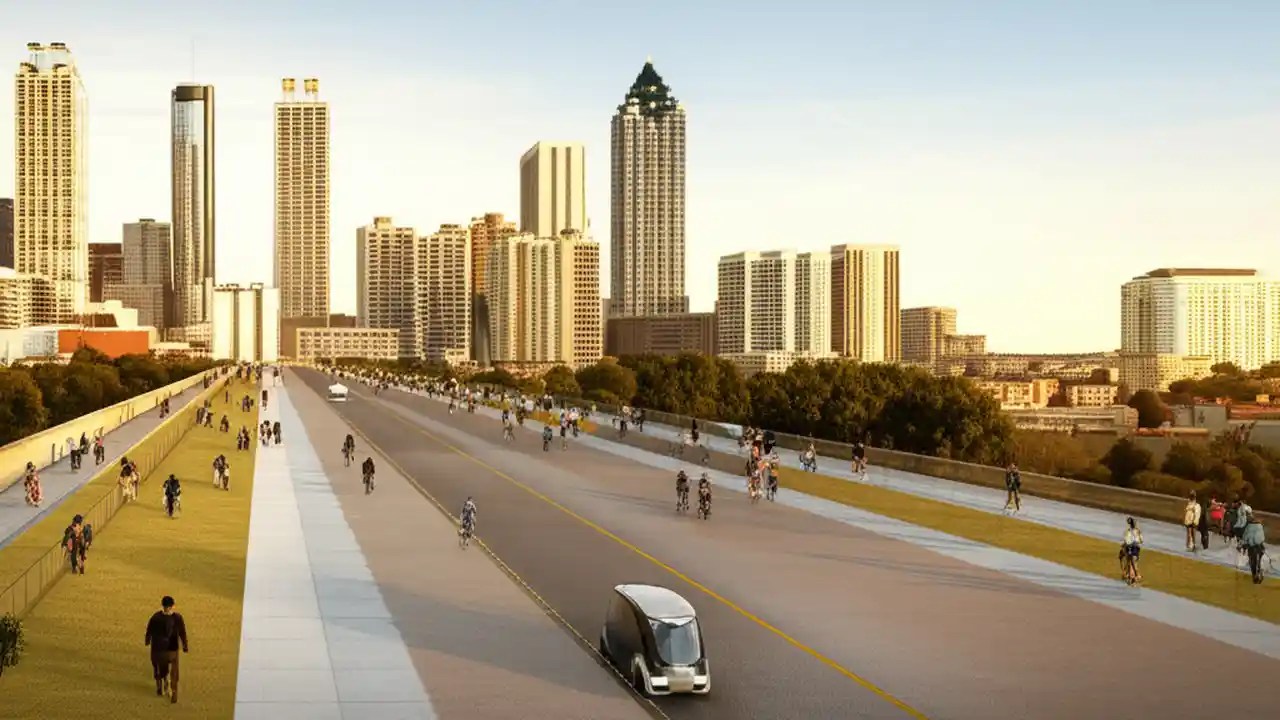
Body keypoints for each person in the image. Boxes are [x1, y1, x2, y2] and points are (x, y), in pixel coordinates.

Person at [145, 595, 189, 704]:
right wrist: (185, 645)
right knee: (174, 669)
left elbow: (149, 630)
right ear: (173, 606)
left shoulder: (156, 617)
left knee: (158, 666)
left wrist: (147, 640)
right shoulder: (177, 618)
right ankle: (172, 690)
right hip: (170, 647)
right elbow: (182, 632)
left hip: (159, 647)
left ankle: (161, 684)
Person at [1240, 511, 1267, 584]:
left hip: (1252, 548)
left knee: (1253, 562)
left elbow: (1245, 538)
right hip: (1260, 547)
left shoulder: (1248, 527)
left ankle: (1255, 576)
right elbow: (1262, 538)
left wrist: (1243, 545)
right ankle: (1258, 574)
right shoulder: (1260, 526)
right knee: (1258, 561)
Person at [1121, 517, 1143, 585]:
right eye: (1134, 523)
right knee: (1130, 562)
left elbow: (1141, 540)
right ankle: (1131, 576)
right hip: (1131, 547)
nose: (1134, 524)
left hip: (1134, 547)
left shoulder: (1135, 531)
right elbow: (1140, 540)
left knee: (1132, 562)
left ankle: (1136, 575)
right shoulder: (1130, 531)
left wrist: (1132, 542)